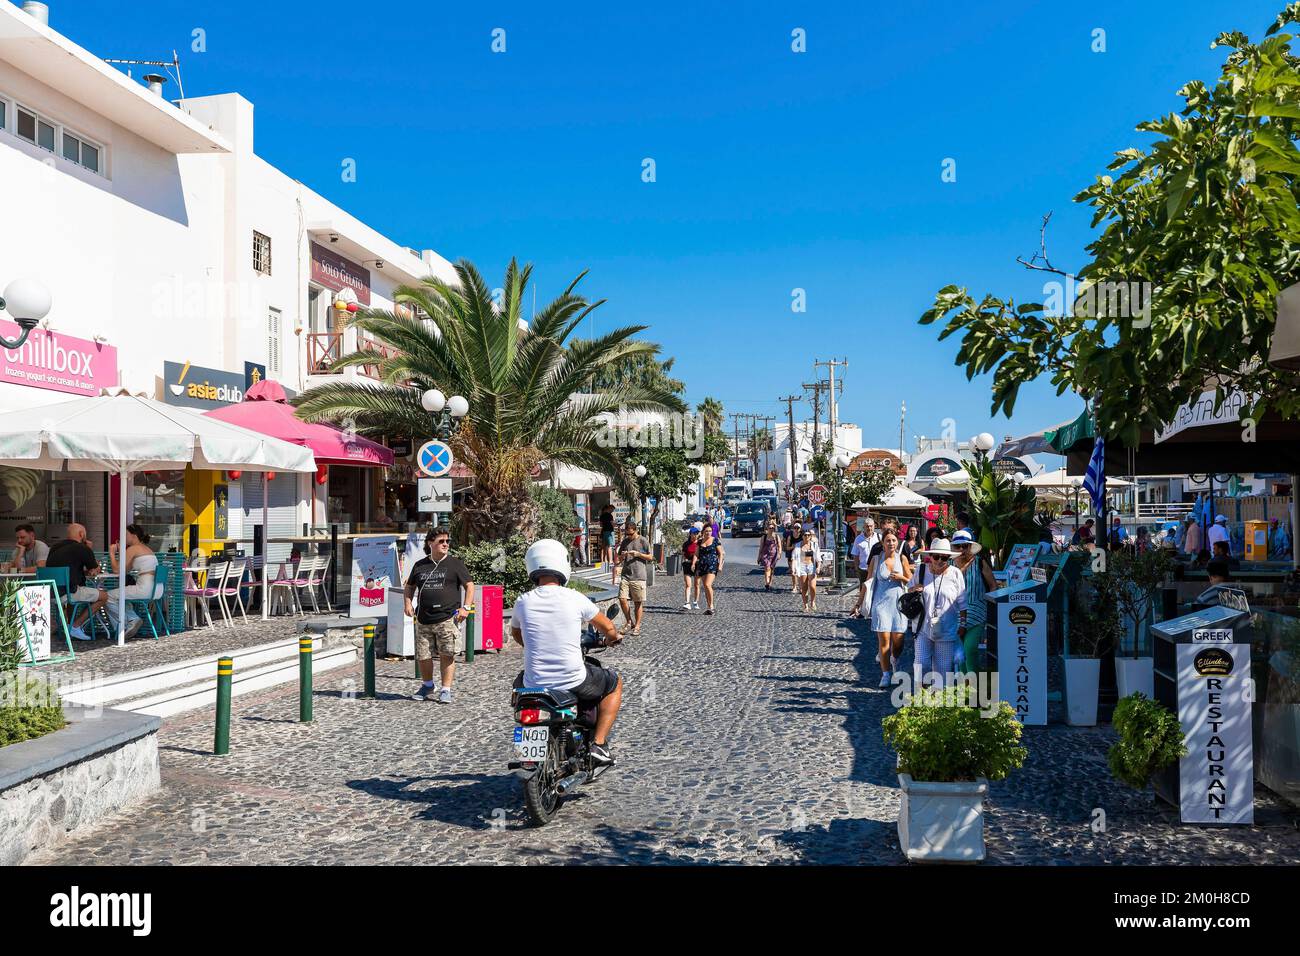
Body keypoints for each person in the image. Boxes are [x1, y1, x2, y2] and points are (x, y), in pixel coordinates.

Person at [511, 539, 622, 766]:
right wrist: (613, 638)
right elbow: (608, 627)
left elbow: (517, 633)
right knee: (614, 683)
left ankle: (529, 749)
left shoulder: (523, 601)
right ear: (563, 564)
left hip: (535, 682)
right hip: (572, 679)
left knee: (520, 690)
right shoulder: (575, 597)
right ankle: (599, 745)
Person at [404, 527, 474, 703]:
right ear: (430, 543)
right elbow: (410, 586)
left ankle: (446, 689)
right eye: (441, 541)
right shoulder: (420, 565)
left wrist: (466, 607)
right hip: (423, 617)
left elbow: (469, 586)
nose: (445, 544)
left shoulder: (455, 563)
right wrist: (407, 603)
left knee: (447, 653)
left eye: (447, 541)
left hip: (447, 617)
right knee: (423, 655)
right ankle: (428, 685)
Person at [908, 537, 967, 687]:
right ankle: (920, 701)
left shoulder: (955, 574)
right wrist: (915, 589)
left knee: (943, 670)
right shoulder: (921, 570)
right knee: (921, 664)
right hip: (922, 626)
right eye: (936, 557)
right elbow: (909, 590)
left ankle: (939, 703)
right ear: (930, 556)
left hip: (947, 628)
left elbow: (963, 602)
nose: (940, 560)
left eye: (944, 557)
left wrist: (963, 625)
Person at [45, 523, 107, 640]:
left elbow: (67, 569)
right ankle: (75, 626)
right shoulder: (82, 548)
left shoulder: (54, 547)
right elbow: (94, 569)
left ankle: (70, 626)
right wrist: (89, 549)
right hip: (68, 592)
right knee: (104, 596)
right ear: (81, 534)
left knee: (73, 593)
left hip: (51, 593)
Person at [868, 529, 911, 687]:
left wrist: (902, 578)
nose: (891, 543)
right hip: (881, 605)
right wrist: (859, 603)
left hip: (899, 605)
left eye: (893, 540)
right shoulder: (877, 559)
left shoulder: (902, 558)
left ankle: (894, 659)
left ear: (897, 542)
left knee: (898, 642)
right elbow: (868, 583)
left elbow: (911, 581)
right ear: (883, 543)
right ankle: (885, 674)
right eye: (888, 540)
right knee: (884, 640)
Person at [950, 529, 996, 673]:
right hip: (953, 615)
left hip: (977, 613)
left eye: (965, 545)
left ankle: (975, 686)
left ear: (970, 547)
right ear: (953, 548)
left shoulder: (980, 562)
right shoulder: (948, 564)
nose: (962, 549)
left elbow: (993, 585)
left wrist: (991, 605)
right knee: (960, 654)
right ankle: (967, 690)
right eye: (958, 546)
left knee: (970, 650)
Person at [104, 524, 158, 639]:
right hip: (155, 589)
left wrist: (112, 554)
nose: (122, 537)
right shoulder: (146, 549)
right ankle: (131, 620)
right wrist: (121, 553)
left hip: (144, 588)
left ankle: (125, 626)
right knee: (121, 597)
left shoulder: (133, 548)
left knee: (107, 596)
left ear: (134, 536)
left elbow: (116, 570)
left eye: (125, 535)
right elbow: (125, 570)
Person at [615, 521, 651, 636]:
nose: (629, 536)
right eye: (627, 534)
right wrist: (623, 556)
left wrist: (638, 554)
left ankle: (638, 625)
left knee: (637, 603)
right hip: (626, 574)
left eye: (631, 534)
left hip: (639, 575)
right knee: (622, 598)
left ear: (636, 531)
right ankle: (629, 621)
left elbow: (651, 557)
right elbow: (618, 559)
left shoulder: (643, 541)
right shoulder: (625, 541)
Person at [847, 518, 880, 619]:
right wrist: (857, 568)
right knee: (863, 590)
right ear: (864, 527)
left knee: (875, 589)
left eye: (871, 526)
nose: (869, 528)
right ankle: (861, 610)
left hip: (875, 568)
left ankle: (873, 610)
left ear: (874, 526)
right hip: (863, 568)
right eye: (867, 526)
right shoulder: (858, 539)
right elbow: (855, 555)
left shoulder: (879, 537)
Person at [695, 522, 725, 615]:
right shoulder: (700, 541)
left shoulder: (715, 540)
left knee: (708, 585)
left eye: (710, 531)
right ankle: (709, 607)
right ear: (703, 532)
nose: (708, 533)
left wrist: (720, 565)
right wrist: (693, 564)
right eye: (707, 531)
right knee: (705, 586)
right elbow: (696, 554)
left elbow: (720, 553)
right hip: (702, 565)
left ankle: (711, 606)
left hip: (712, 564)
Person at [793, 527, 822, 612]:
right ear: (802, 536)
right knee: (804, 587)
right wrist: (793, 568)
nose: (806, 536)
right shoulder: (798, 545)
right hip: (802, 566)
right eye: (805, 535)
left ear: (810, 536)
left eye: (808, 535)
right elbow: (794, 558)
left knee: (812, 587)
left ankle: (813, 601)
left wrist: (818, 567)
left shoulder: (814, 545)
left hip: (811, 566)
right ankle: (805, 605)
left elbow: (818, 557)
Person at [681, 525, 702, 610]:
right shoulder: (686, 544)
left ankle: (696, 602)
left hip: (697, 565)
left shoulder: (700, 543)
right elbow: (683, 553)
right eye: (694, 533)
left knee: (697, 584)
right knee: (688, 584)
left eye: (697, 533)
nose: (695, 535)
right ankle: (687, 603)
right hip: (687, 565)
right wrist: (686, 559)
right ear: (690, 534)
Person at [782, 518, 801, 593]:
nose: (796, 529)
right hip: (792, 556)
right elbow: (787, 547)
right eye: (795, 528)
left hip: (801, 556)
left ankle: (800, 587)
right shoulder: (790, 536)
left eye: (798, 528)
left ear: (800, 528)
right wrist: (793, 547)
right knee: (793, 572)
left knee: (800, 572)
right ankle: (794, 587)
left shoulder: (803, 535)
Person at [758, 525, 781, 590]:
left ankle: (770, 582)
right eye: (770, 528)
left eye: (772, 528)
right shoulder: (764, 537)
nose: (771, 529)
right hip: (765, 554)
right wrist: (759, 556)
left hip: (774, 555)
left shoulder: (776, 536)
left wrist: (779, 554)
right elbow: (761, 547)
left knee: (772, 569)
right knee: (767, 567)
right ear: (767, 528)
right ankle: (767, 582)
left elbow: (779, 546)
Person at [598, 504, 616, 574]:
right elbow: (612, 524)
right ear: (610, 508)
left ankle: (603, 561)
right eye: (612, 510)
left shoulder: (602, 515)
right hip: (609, 532)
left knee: (603, 547)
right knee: (610, 546)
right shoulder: (609, 515)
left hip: (604, 531)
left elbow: (601, 525)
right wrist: (615, 524)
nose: (612, 511)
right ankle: (610, 561)